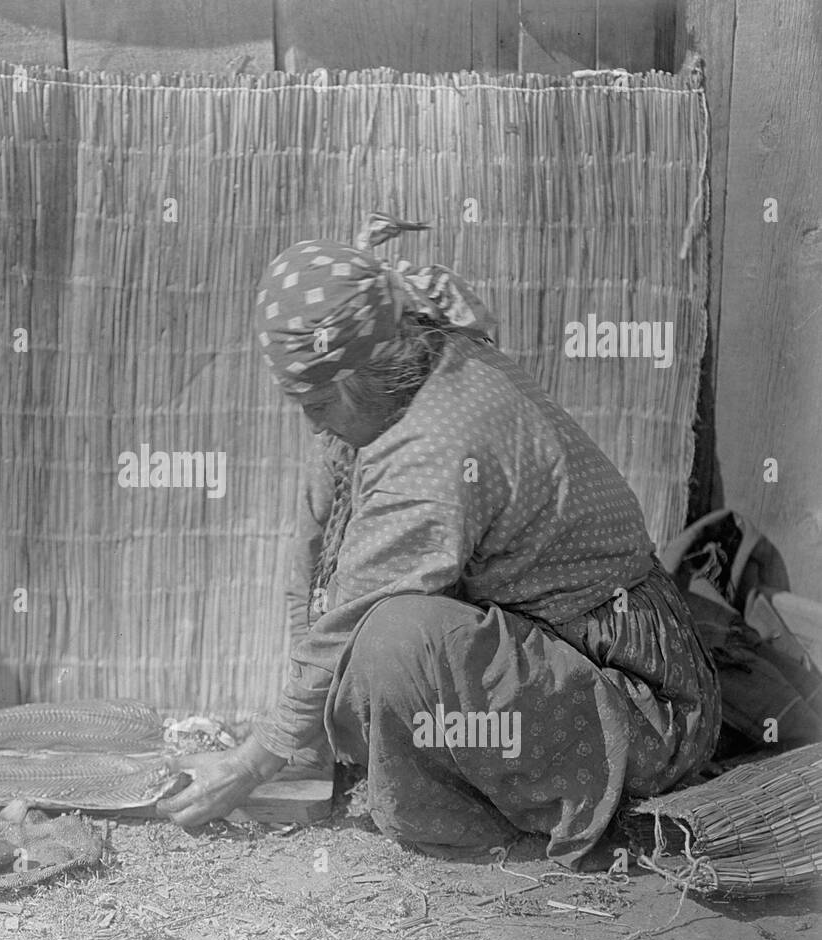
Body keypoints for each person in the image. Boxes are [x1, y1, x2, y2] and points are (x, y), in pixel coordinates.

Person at [157, 216, 720, 867]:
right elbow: (316, 546)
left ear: (346, 382)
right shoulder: (401, 359)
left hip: (632, 700)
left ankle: (489, 825)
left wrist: (253, 765)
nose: (312, 428)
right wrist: (296, 738)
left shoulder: (438, 448)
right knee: (355, 599)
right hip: (547, 653)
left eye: (311, 406)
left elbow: (346, 621)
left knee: (394, 644)